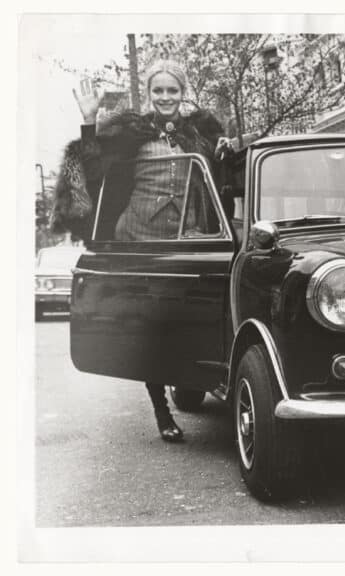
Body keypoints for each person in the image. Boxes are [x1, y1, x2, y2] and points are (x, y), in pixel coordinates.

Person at [51, 60, 229, 442]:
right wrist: (89, 118)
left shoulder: (200, 134)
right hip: (138, 240)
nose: (166, 98)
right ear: (149, 94)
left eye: (173, 91)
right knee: (151, 330)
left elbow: (222, 179)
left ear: (183, 93)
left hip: (186, 239)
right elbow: (92, 167)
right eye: (158, 91)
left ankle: (191, 384)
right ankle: (162, 411)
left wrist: (228, 150)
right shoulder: (131, 132)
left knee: (183, 325)